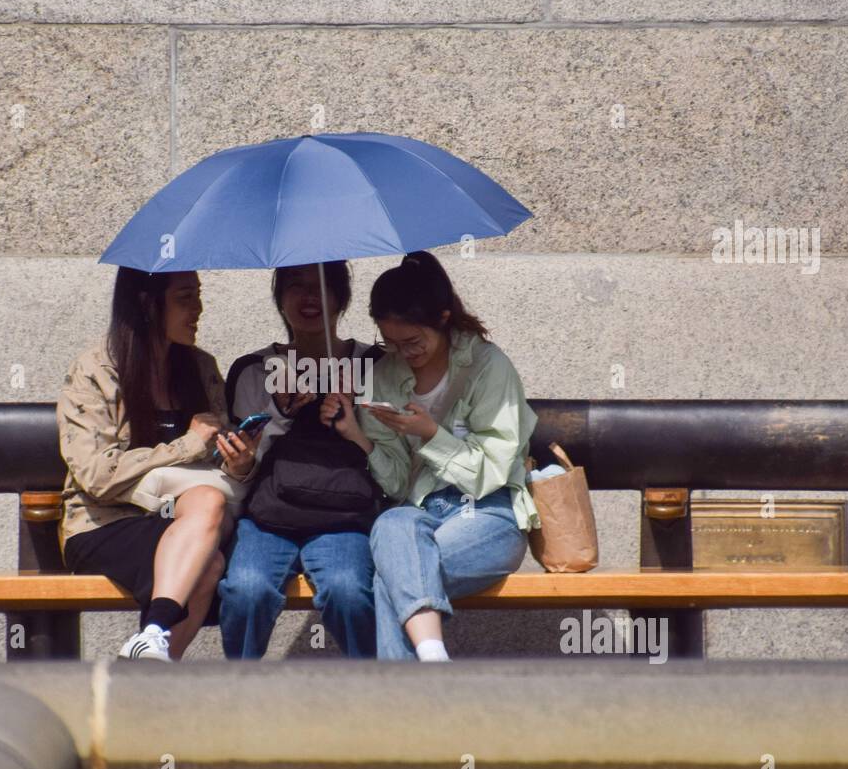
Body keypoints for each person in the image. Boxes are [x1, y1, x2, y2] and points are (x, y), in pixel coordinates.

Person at [320, 251, 539, 661]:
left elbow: (492, 471)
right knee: (392, 521)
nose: (404, 353)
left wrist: (431, 436)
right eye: (392, 343)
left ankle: (412, 693)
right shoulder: (386, 374)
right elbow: (399, 484)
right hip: (419, 517)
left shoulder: (487, 366)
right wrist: (358, 436)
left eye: (413, 342)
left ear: (442, 318)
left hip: (488, 515)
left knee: (391, 579)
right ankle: (432, 662)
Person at [57, 268, 260, 662]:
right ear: (148, 304)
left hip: (189, 522)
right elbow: (96, 475)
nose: (198, 309)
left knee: (209, 522)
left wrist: (239, 463)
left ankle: (150, 642)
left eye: (199, 295)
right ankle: (153, 651)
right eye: (185, 297)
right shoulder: (96, 370)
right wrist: (186, 444)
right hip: (104, 522)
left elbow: (218, 466)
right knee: (208, 557)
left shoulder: (201, 368)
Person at [217, 261, 380, 658]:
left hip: (346, 516)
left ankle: (378, 698)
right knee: (246, 591)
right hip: (269, 517)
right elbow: (242, 469)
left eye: (321, 286)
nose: (308, 297)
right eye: (295, 285)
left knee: (348, 591)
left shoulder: (373, 364)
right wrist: (278, 416)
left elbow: (392, 455)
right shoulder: (254, 370)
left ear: (341, 297)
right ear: (279, 298)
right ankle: (238, 701)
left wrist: (353, 415)